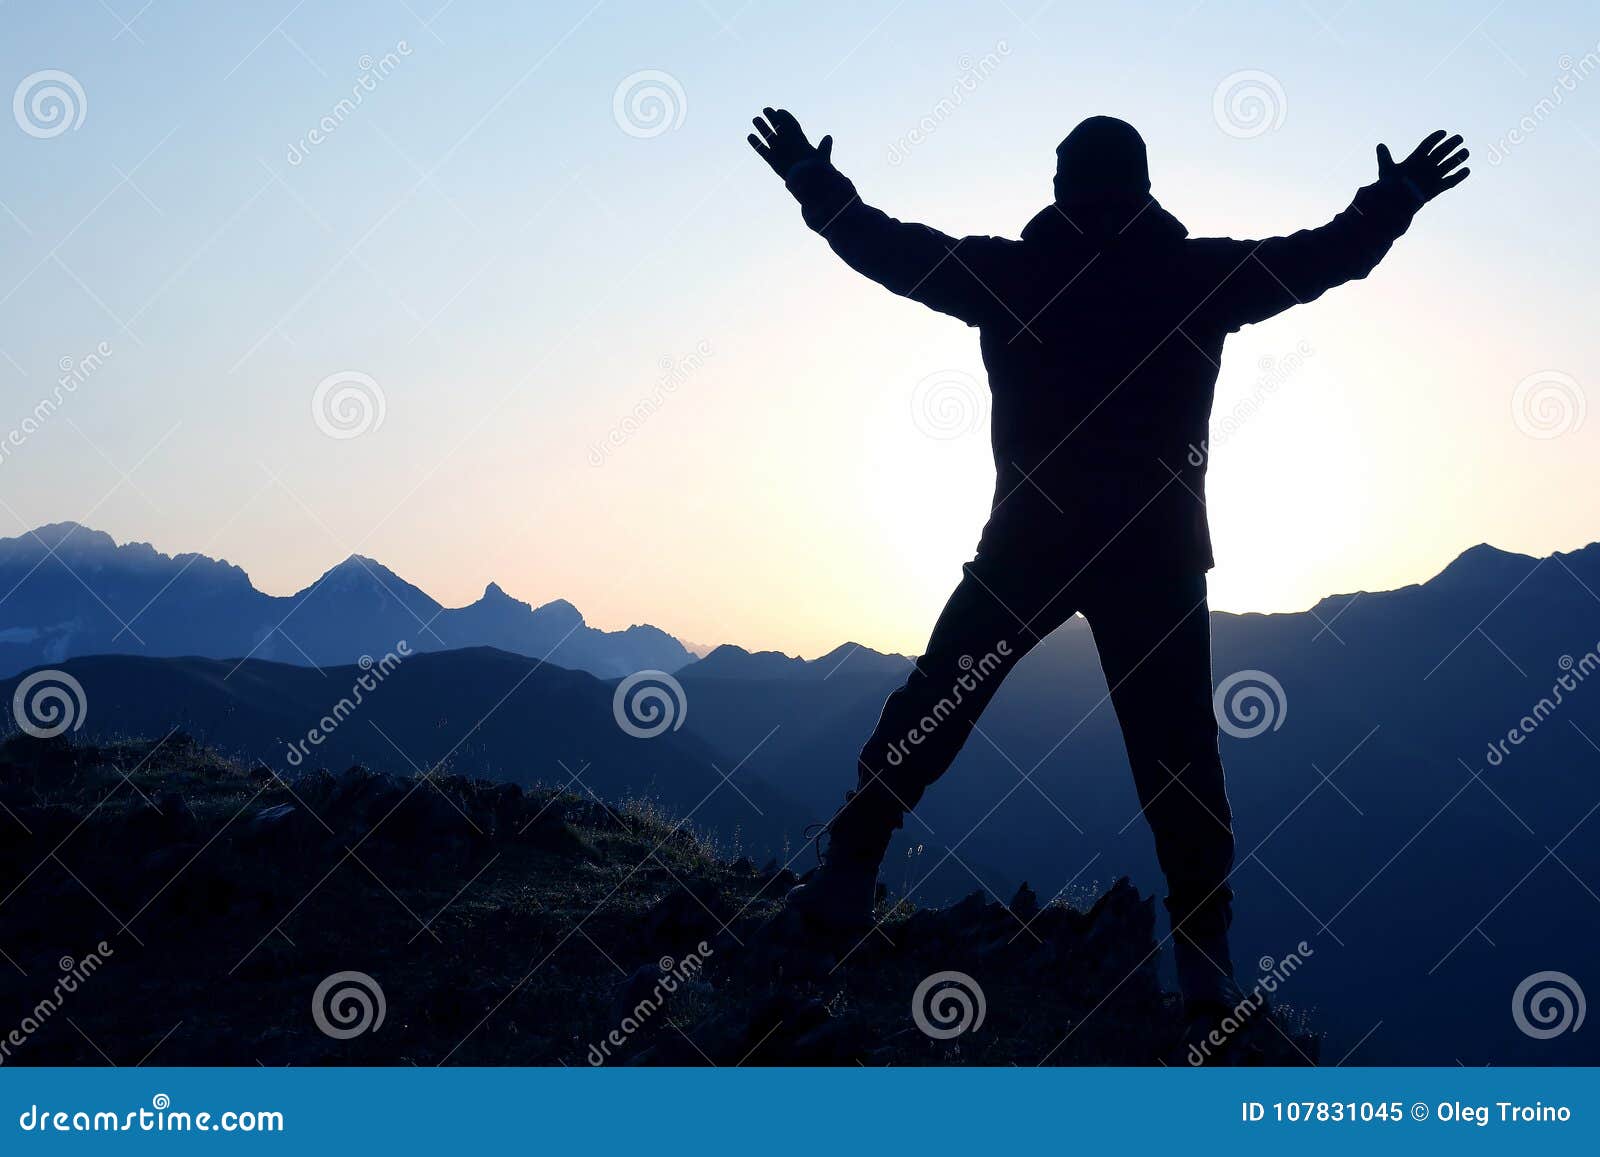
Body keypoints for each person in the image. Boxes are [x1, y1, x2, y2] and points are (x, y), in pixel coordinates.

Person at [747, 108, 1468, 1024]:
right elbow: (1321, 257)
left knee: (941, 696)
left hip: (1030, 546)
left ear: (1057, 190)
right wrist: (1395, 199)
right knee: (1179, 754)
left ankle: (849, 870)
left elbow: (886, 248)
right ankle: (1203, 955)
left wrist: (812, 182)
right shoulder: (1192, 276)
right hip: (1155, 555)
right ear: (1145, 188)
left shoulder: (1015, 273)